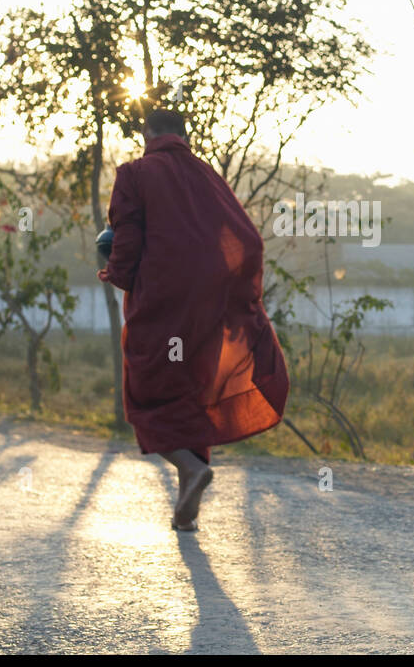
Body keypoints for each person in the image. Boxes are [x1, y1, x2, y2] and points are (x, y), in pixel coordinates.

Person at [101, 109, 289, 530]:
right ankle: (187, 512)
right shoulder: (208, 177)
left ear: (148, 133)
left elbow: (126, 241)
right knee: (193, 388)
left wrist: (115, 273)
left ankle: (189, 467)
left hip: (162, 300)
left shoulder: (134, 174)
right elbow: (250, 240)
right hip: (209, 304)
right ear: (184, 135)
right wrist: (240, 297)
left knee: (144, 392)